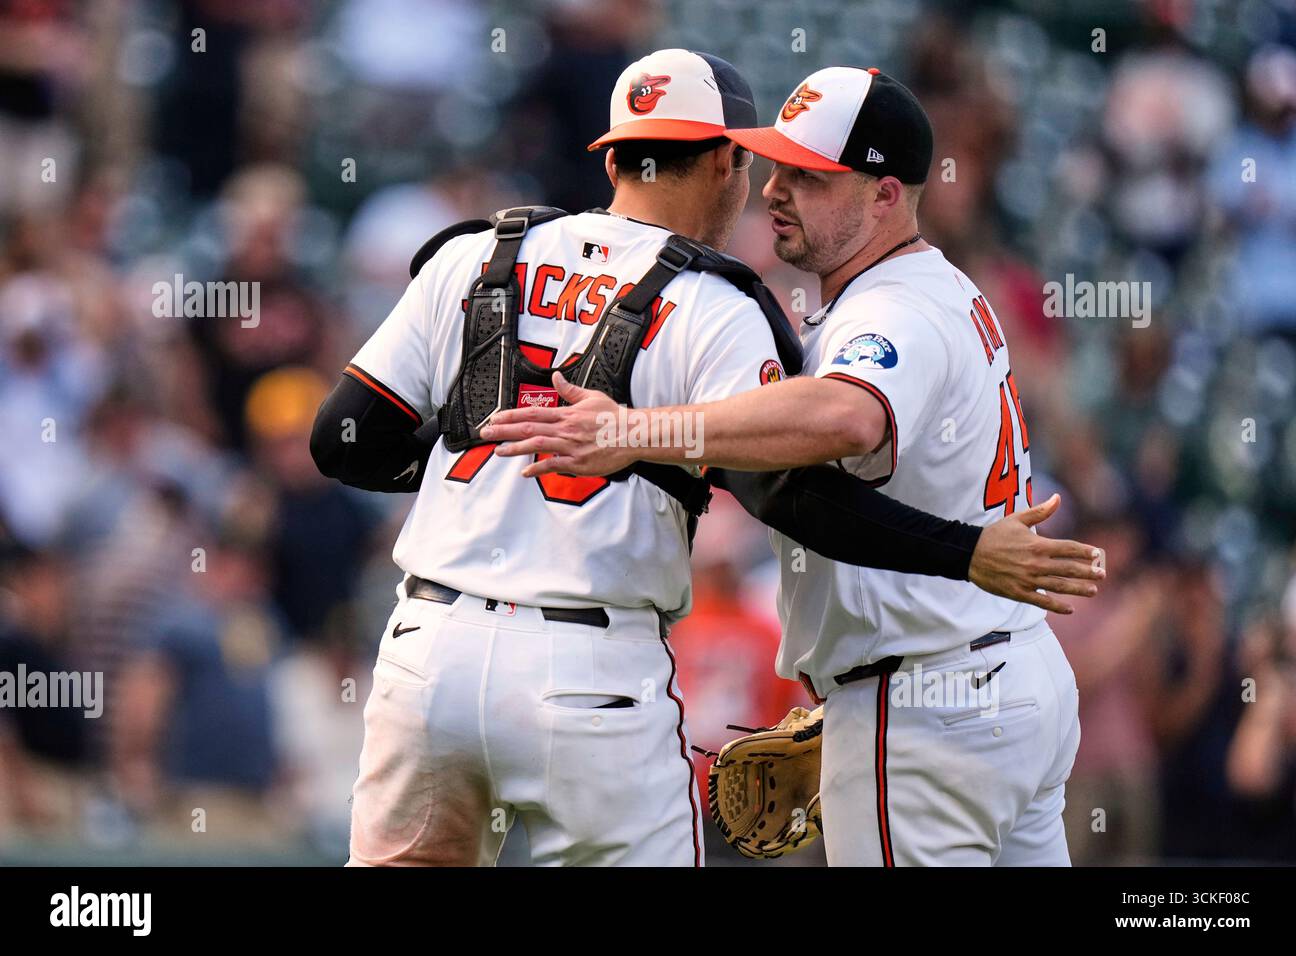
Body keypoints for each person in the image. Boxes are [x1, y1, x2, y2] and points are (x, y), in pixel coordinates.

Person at [314, 53, 1099, 867]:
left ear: (614, 155)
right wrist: (961, 556)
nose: (771, 191)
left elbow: (342, 437)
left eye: (806, 175)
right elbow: (794, 498)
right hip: (600, 676)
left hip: (424, 654)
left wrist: (495, 449)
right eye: (768, 166)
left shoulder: (474, 253)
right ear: (726, 161)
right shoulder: (724, 304)